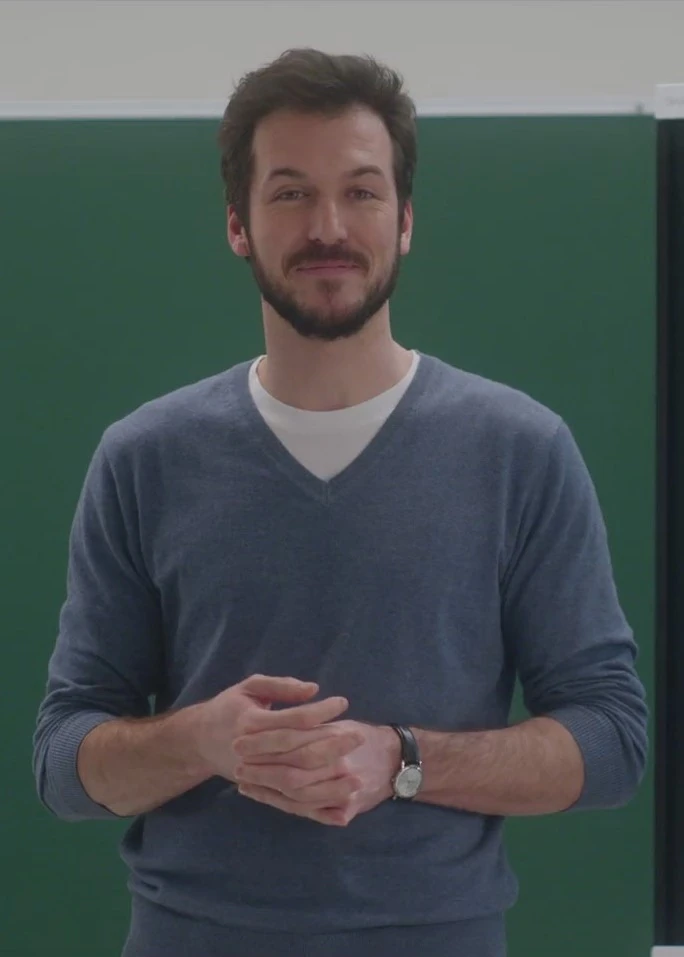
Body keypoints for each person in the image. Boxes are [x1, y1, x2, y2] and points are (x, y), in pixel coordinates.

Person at [32, 48, 649, 957]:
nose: (328, 226)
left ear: (406, 220)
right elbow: (64, 762)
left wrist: (403, 759)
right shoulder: (144, 458)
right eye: (290, 193)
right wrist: (204, 739)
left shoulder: (521, 450)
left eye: (360, 191)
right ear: (238, 225)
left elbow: (612, 739)